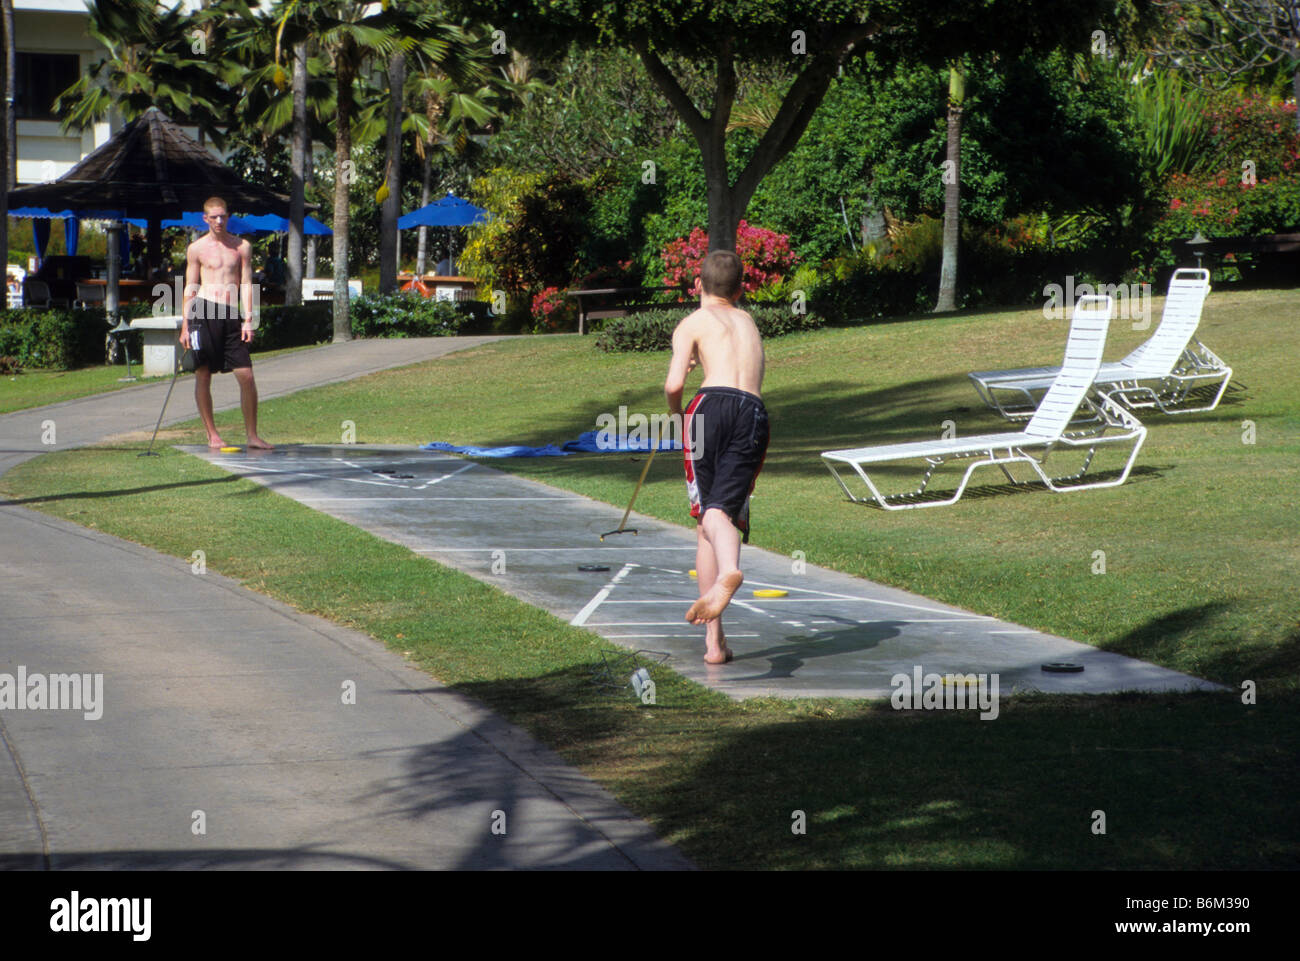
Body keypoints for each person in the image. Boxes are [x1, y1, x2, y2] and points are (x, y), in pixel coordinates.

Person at [664, 250, 769, 664]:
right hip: (754, 412)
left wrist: (678, 419)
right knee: (722, 513)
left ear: (697, 287)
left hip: (709, 408)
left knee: (708, 517)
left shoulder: (692, 322)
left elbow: (673, 385)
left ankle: (726, 581)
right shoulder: (748, 322)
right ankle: (716, 646)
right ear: (741, 290)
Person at [179, 196, 272, 450]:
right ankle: (212, 434)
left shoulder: (241, 246)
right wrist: (186, 325)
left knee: (246, 375)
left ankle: (252, 435)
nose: (219, 221)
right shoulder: (196, 249)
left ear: (228, 217)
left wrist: (249, 319)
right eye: (215, 216)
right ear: (205, 218)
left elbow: (246, 283)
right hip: (203, 312)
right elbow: (191, 286)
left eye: (223, 216)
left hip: (231, 314)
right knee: (203, 374)